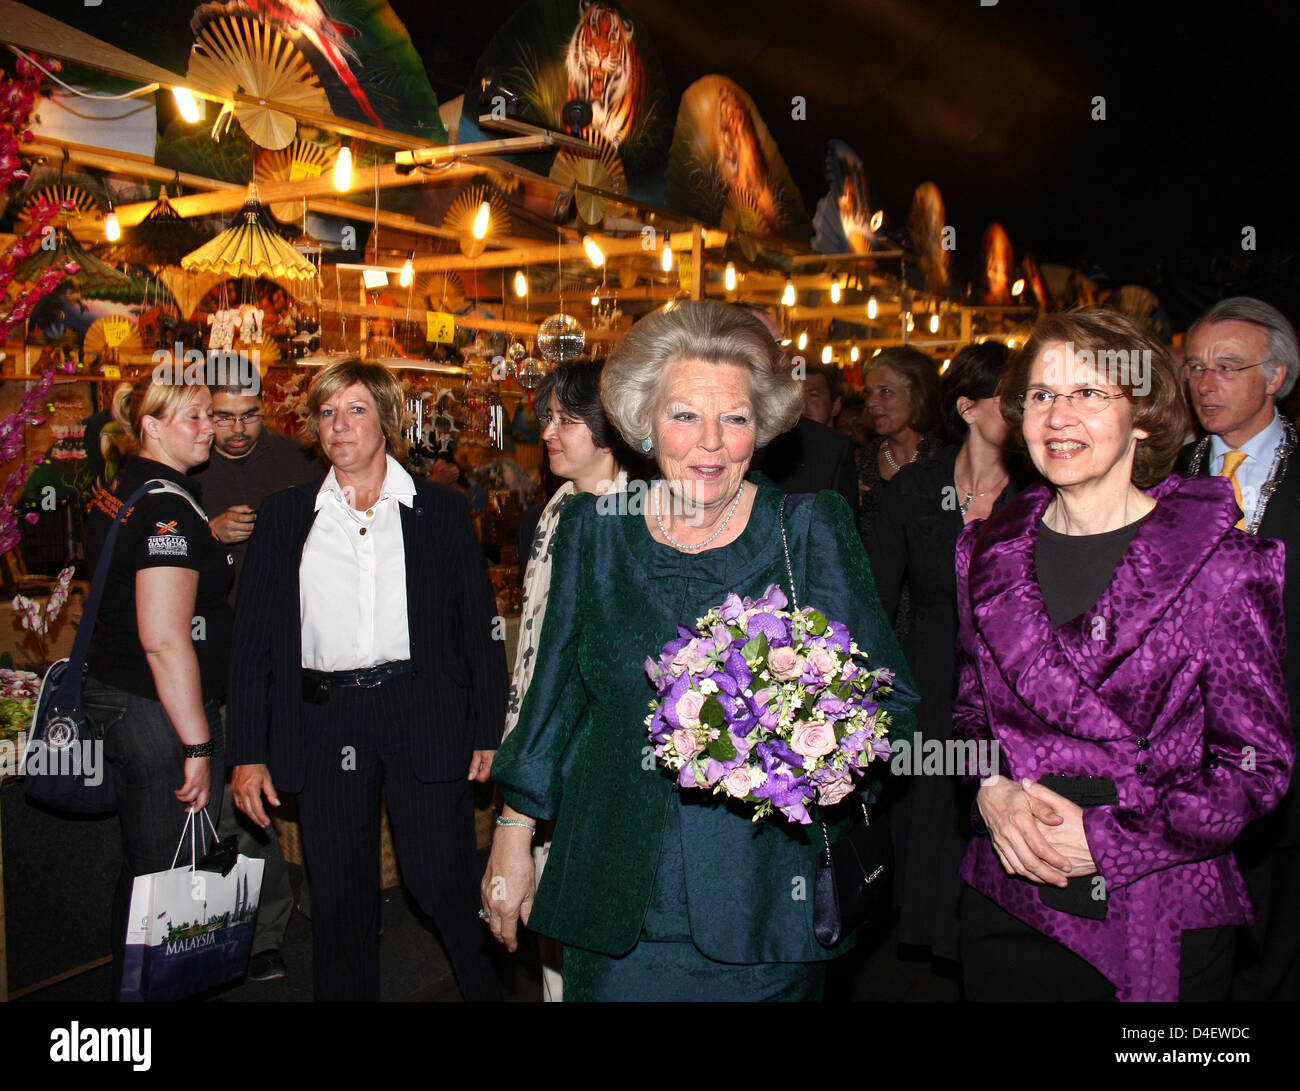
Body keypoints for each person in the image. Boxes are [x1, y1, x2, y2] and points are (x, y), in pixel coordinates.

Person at [482, 300, 918, 1001]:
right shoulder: (594, 531)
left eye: (735, 418)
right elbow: (554, 697)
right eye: (685, 415)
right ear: (644, 423)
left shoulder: (808, 529)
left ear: (762, 426)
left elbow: (892, 699)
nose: (711, 443)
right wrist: (512, 830)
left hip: (764, 902)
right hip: (613, 895)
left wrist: (829, 758)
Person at [954, 309, 1294, 1002]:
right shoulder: (984, 552)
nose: (1059, 417)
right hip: (1010, 896)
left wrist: (1114, 841)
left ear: (1141, 417)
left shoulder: (1222, 566)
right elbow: (967, 715)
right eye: (1042, 395)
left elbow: (1256, 767)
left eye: (1088, 393)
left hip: (1156, 909)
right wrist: (988, 789)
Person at [226, 359, 505, 1002]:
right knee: (340, 900)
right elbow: (251, 647)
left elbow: (480, 628)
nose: (338, 425)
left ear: (387, 420)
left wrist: (489, 730)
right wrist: (247, 753)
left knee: (442, 883)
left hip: (421, 709)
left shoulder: (440, 509)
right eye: (327, 413)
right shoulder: (286, 516)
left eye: (355, 410)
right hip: (324, 721)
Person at [869, 340, 1020, 962]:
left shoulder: (1038, 491)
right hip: (930, 672)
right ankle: (931, 930)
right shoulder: (915, 487)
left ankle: (986, 939)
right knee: (931, 810)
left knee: (995, 804)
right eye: (1015, 400)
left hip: (1011, 678)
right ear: (967, 407)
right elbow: (874, 601)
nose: (1034, 412)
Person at [83, 375, 232, 997]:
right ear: (150, 426)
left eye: (210, 415)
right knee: (169, 877)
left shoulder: (127, 486)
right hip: (156, 710)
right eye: (194, 416)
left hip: (129, 697)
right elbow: (164, 639)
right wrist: (198, 742)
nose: (210, 427)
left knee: (149, 870)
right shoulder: (165, 508)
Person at [1179, 296, 1300, 1001]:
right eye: (1196, 366)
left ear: (1276, 376)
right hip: (1183, 743)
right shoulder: (1166, 471)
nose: (1205, 383)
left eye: (1228, 367)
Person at [502, 358, 634, 1002]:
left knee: (586, 921)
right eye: (547, 417)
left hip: (594, 756)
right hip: (546, 745)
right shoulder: (558, 506)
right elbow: (535, 653)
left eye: (567, 419)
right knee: (549, 917)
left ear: (609, 428)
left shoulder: (633, 519)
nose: (548, 433)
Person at [192, 377, 319, 984]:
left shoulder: (297, 459)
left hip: (293, 653)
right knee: (228, 802)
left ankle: (309, 910)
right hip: (214, 660)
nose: (237, 429)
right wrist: (208, 535)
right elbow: (148, 556)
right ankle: (242, 931)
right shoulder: (188, 462)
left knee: (295, 790)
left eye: (249, 415)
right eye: (224, 416)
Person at [855, 346, 943, 551]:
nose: (871, 403)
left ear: (918, 395)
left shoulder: (944, 461)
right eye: (869, 393)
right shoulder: (859, 463)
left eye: (885, 392)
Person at [761, 362, 858, 513]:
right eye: (795, 396)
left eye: (813, 395)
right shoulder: (773, 453)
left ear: (835, 405)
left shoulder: (847, 452)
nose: (802, 404)